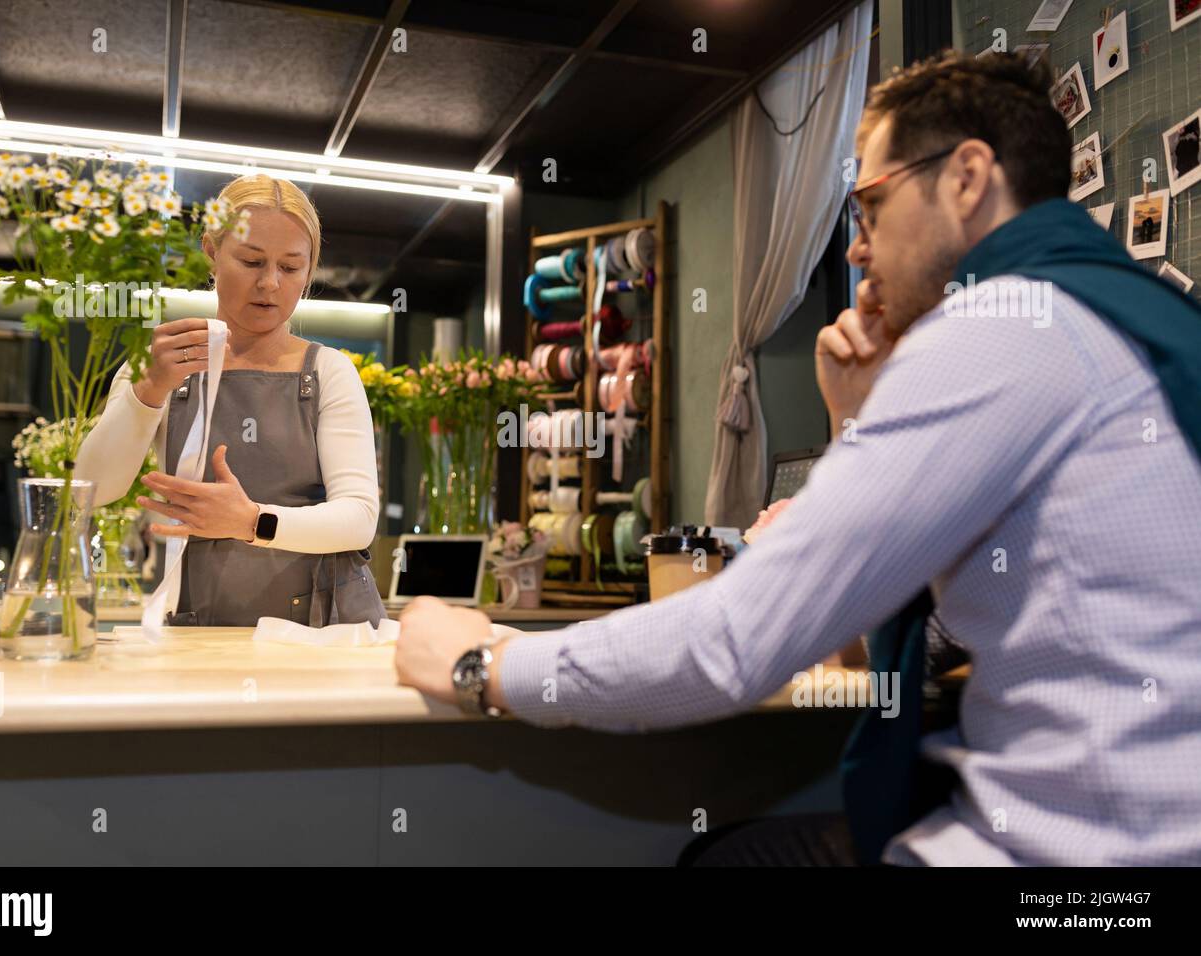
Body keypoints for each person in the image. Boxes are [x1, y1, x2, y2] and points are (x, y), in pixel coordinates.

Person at [394, 51, 1201, 866]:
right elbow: (910, 598)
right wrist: (858, 420)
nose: (856, 249)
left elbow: (736, 641)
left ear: (966, 178)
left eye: (870, 205)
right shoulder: (1131, 318)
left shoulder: (996, 327)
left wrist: (482, 663)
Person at [76, 174, 385, 628]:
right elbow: (95, 489)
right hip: (197, 631)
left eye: (291, 267)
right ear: (211, 250)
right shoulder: (161, 362)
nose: (270, 284)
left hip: (319, 636)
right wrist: (147, 392)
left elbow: (358, 518)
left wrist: (251, 522)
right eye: (251, 260)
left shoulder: (328, 372)